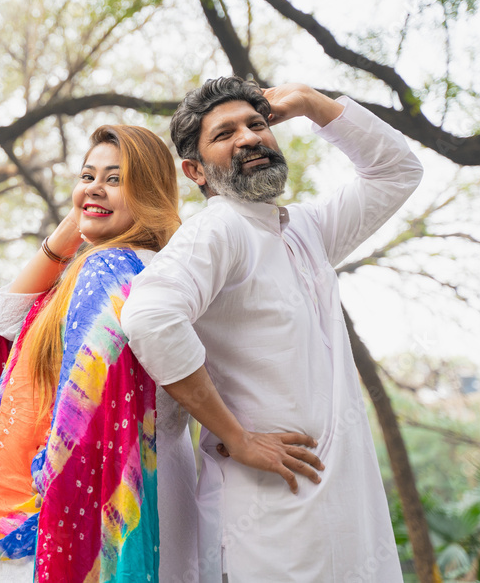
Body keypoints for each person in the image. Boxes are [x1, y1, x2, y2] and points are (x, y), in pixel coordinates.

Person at [121, 78, 424, 582]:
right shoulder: (218, 228)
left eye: (257, 124)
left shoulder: (306, 230)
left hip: (346, 504)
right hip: (267, 515)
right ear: (195, 170)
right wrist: (236, 437)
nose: (248, 138)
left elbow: (397, 171)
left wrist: (310, 102)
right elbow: (150, 317)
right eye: (225, 133)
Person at [0, 125, 198, 582]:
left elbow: (83, 413)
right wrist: (85, 214)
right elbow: (11, 318)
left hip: (69, 506)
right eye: (86, 176)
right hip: (129, 492)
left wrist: (48, 480)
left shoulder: (109, 271)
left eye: (115, 178)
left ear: (148, 193)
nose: (94, 186)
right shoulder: (148, 270)